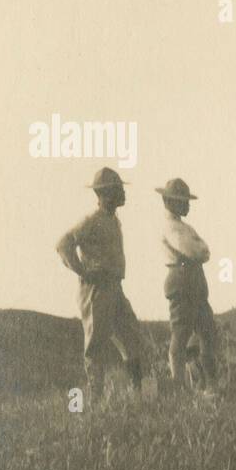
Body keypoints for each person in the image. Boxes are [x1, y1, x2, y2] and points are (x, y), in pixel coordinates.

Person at [55, 167, 148, 399]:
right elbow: (63, 244)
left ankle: (138, 394)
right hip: (97, 289)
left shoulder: (113, 220)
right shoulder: (91, 221)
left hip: (115, 287)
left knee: (131, 338)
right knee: (96, 345)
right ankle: (96, 400)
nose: (123, 194)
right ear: (105, 193)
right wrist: (82, 271)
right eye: (119, 189)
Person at [157, 178, 218, 393]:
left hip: (194, 280)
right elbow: (195, 250)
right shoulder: (170, 228)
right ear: (169, 201)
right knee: (181, 334)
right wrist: (198, 249)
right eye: (182, 201)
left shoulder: (185, 227)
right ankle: (178, 385)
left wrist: (199, 249)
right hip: (181, 280)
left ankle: (209, 385)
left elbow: (205, 250)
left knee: (207, 332)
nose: (187, 205)